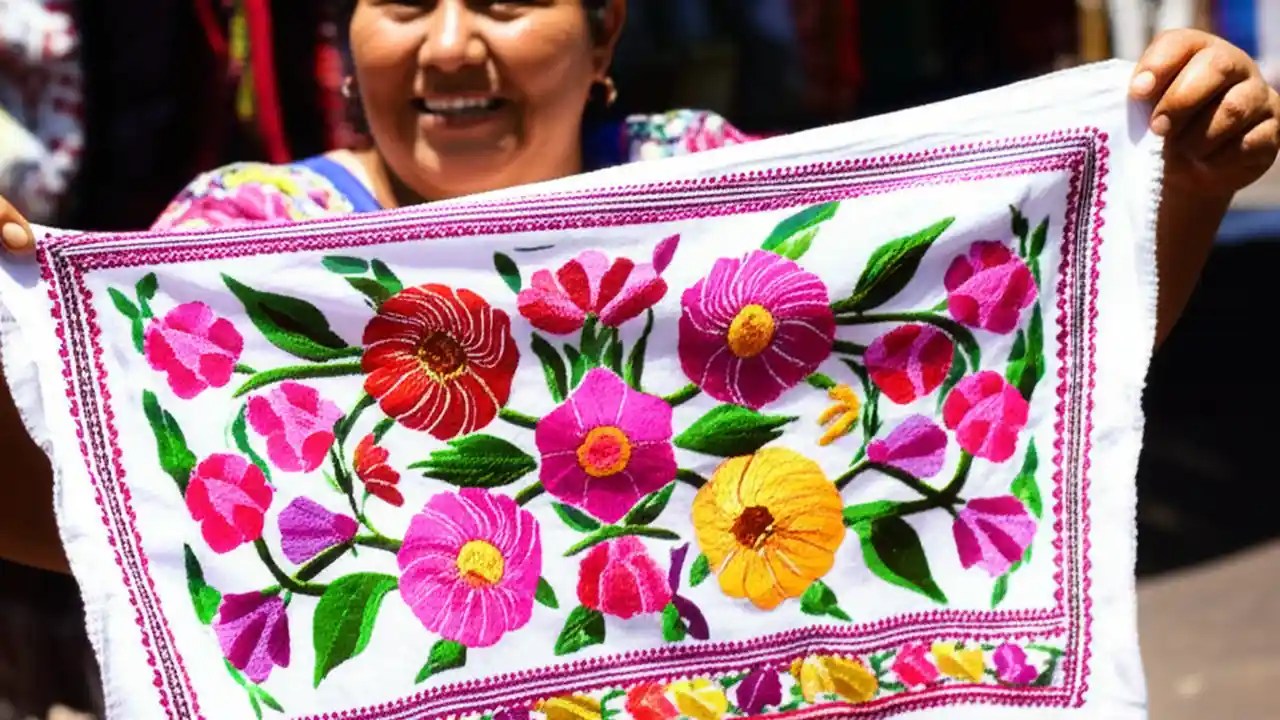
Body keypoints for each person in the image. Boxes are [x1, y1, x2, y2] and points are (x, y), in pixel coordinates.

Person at [0, 1, 1275, 577]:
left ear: (602, 36)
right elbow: (97, 535)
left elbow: (995, 396)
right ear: (346, 43)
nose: (450, 45)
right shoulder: (241, 243)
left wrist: (1189, 184)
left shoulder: (713, 193)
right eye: (401, 3)